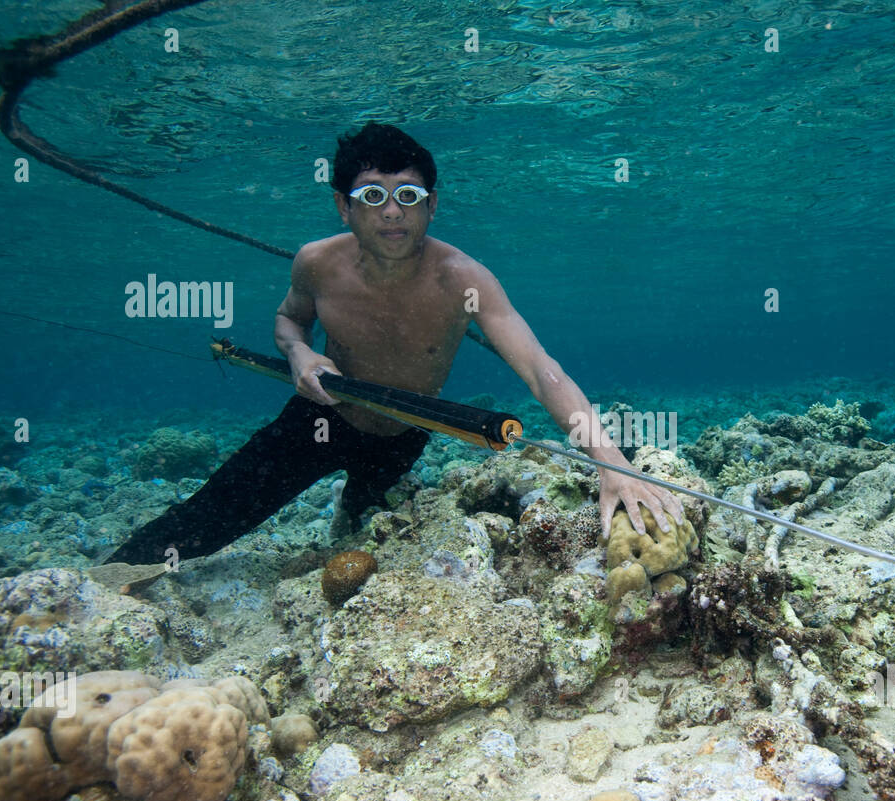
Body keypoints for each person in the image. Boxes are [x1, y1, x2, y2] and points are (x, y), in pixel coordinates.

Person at [105, 122, 682, 566]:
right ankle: (110, 579)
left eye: (408, 195)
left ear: (432, 205)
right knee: (211, 516)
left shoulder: (465, 280)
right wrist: (300, 354)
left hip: (403, 435)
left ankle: (353, 506)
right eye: (371, 195)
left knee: (364, 516)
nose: (391, 213)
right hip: (317, 419)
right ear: (342, 205)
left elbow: (539, 369)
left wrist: (610, 461)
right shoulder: (317, 263)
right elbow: (288, 321)